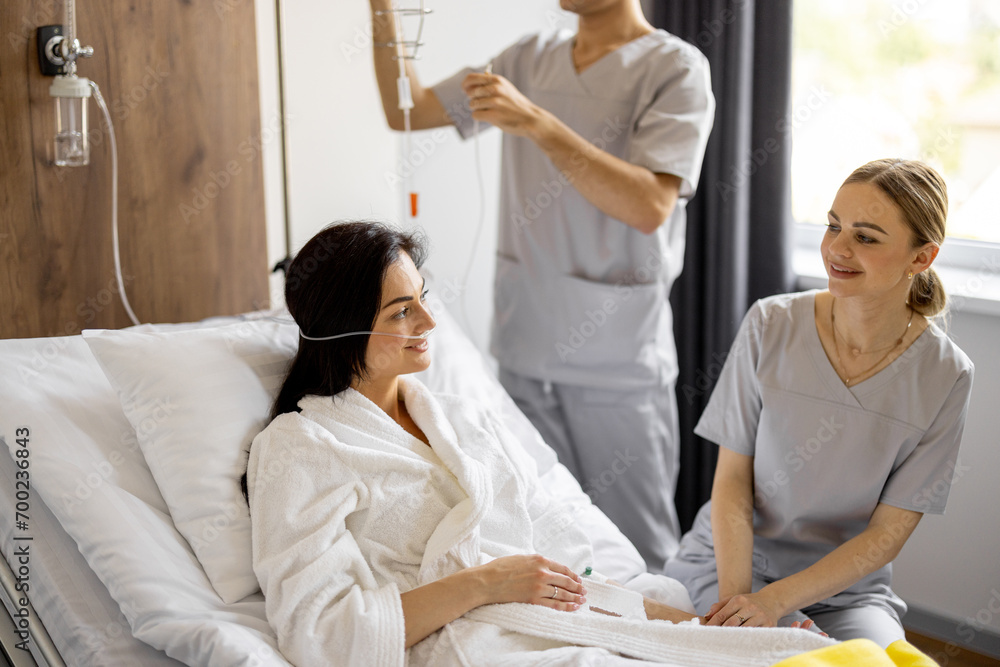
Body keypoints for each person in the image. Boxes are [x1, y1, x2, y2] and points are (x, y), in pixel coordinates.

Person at [242, 221, 830, 667]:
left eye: (423, 297)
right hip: (474, 646)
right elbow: (320, 632)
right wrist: (485, 584)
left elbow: (561, 560)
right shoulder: (300, 448)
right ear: (344, 325)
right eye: (402, 311)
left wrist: (702, 631)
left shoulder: (463, 420)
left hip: (579, 624)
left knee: (790, 654)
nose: (429, 321)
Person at [368, 0, 715, 571]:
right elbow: (406, 112)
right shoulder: (527, 59)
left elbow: (648, 204)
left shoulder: (675, 68)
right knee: (544, 536)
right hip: (525, 341)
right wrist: (383, 12)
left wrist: (537, 122)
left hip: (615, 357)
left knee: (640, 552)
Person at [662, 159, 975, 648]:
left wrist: (777, 602)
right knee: (788, 658)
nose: (837, 249)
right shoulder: (771, 323)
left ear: (922, 258)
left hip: (850, 593)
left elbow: (887, 533)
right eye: (833, 226)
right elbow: (730, 484)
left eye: (866, 237)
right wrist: (743, 606)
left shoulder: (946, 373)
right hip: (732, 567)